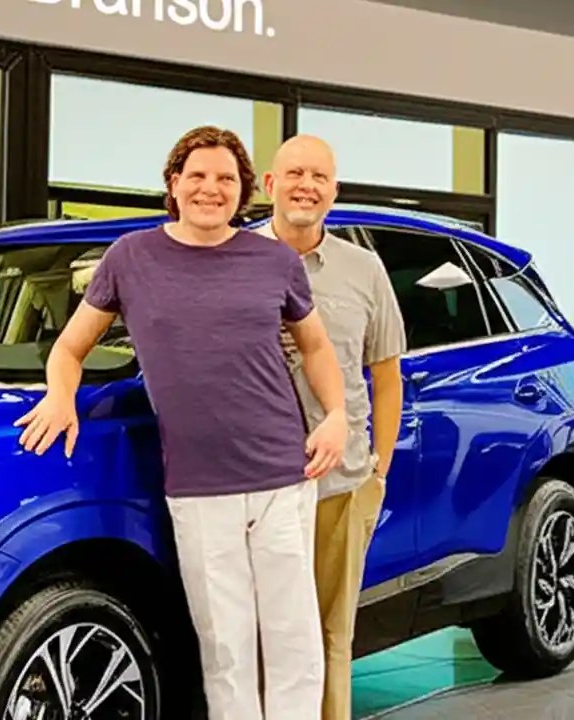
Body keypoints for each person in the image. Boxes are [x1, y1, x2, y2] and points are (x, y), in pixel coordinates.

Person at [14, 125, 349, 720]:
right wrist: (60, 398)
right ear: (173, 184)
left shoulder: (275, 261)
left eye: (225, 179)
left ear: (244, 191)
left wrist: (337, 417)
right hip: (197, 487)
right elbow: (68, 349)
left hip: (282, 473)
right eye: (197, 176)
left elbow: (317, 348)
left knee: (292, 637)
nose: (210, 189)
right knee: (225, 645)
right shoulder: (131, 258)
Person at [255, 134, 407, 720]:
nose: (306, 186)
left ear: (334, 191)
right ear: (270, 184)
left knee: (329, 636)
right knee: (259, 636)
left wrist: (378, 474)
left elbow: (386, 376)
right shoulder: (231, 258)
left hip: (341, 488)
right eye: (294, 173)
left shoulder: (363, 270)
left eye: (319, 176)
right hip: (252, 485)